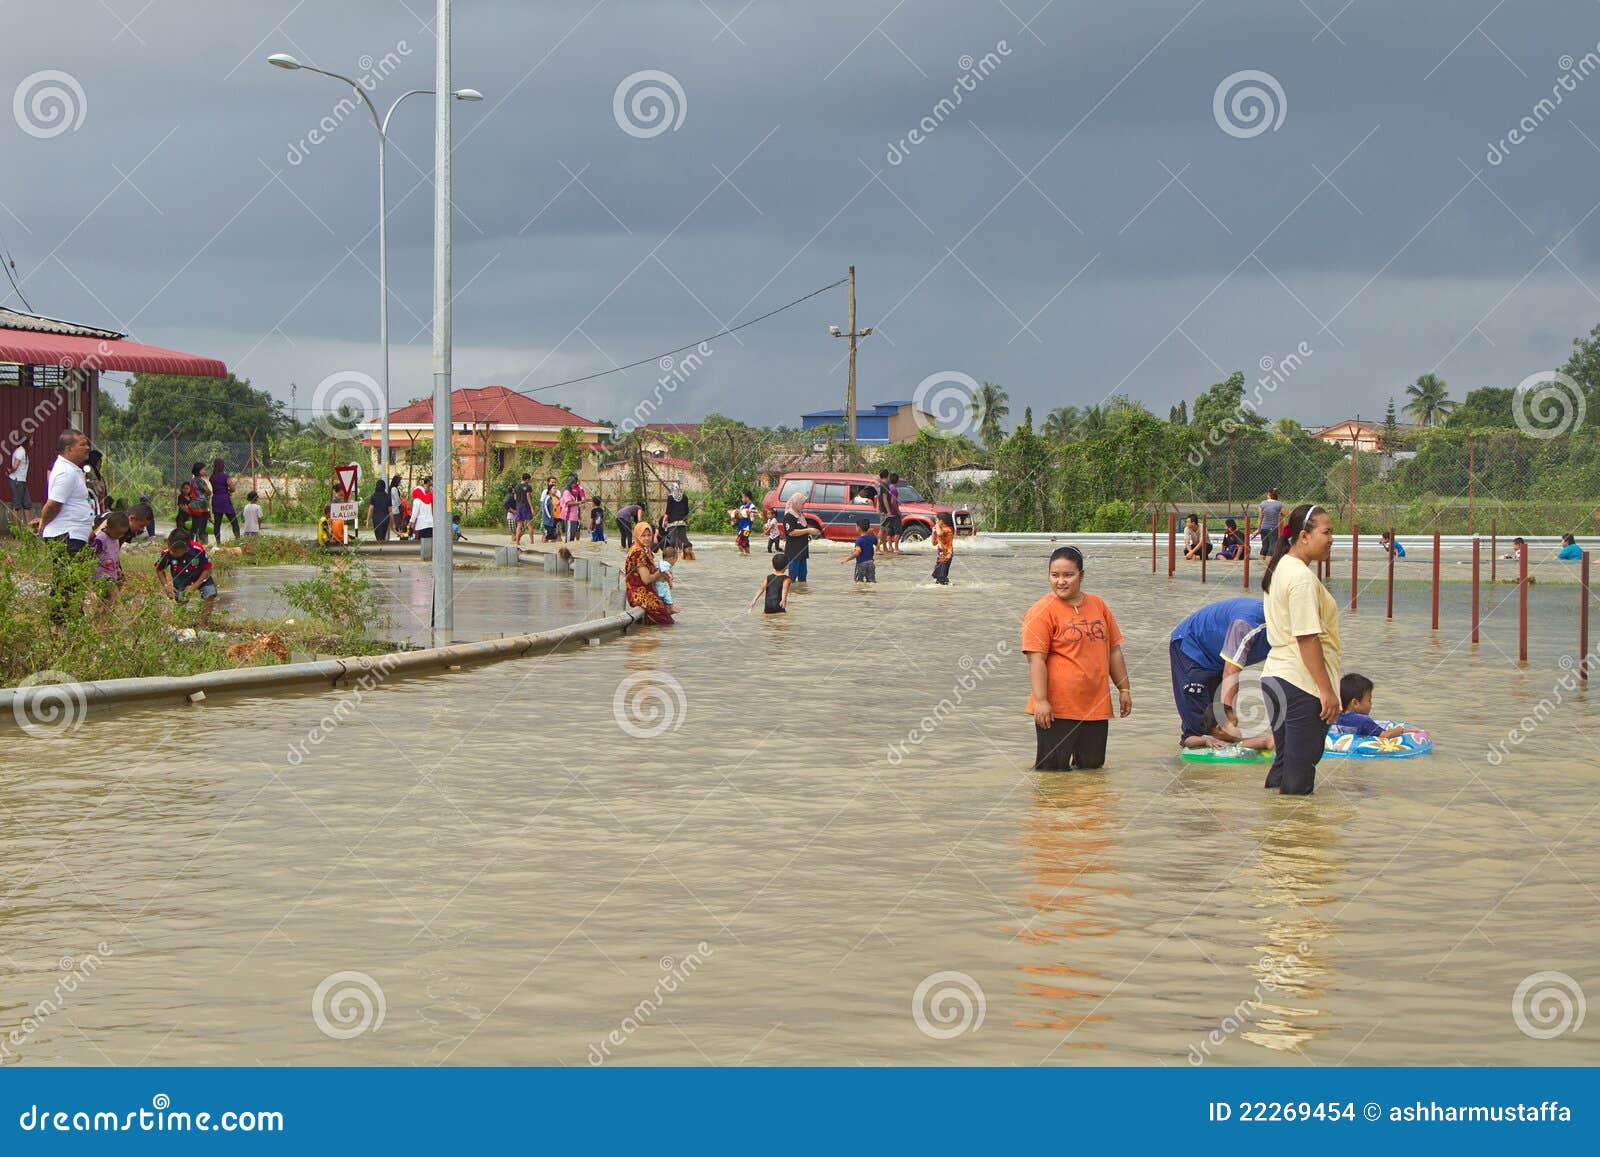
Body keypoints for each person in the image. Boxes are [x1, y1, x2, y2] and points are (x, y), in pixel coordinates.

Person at [1023, 546, 1132, 771]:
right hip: (1057, 708)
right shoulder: (1041, 611)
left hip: (1096, 705)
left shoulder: (1098, 605)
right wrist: (1041, 701)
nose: (1060, 581)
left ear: (1081, 575)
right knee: (1052, 774)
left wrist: (1124, 690)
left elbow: (1113, 650)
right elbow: (1036, 660)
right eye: (1055, 575)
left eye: (1068, 575)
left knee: (1092, 771)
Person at [1260, 504, 1341, 796]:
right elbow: (1307, 639)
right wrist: (1327, 691)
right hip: (1300, 684)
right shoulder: (1301, 578)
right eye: (1327, 532)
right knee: (1298, 782)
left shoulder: (1282, 567)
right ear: (1304, 536)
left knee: (1284, 769)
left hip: (1276, 678)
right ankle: (1295, 838)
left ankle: (1272, 836)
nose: (1332, 539)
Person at [1168, 596, 1269, 748]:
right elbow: (1231, 674)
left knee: (1223, 726)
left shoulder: (1293, 630)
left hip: (1219, 656)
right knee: (1201, 727)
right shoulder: (1246, 624)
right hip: (1192, 646)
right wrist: (1226, 722)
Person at [32, 429, 94, 625]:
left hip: (73, 535)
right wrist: (43, 523)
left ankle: (70, 621)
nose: (87, 448)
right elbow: (54, 504)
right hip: (66, 535)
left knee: (71, 581)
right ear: (69, 448)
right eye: (82, 444)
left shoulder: (72, 469)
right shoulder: (65, 472)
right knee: (67, 582)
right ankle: (62, 624)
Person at [1331, 673, 1423, 741]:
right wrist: (1400, 730)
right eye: (1369, 700)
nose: (1371, 704)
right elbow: (1385, 735)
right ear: (1355, 703)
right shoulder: (1363, 721)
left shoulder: (1334, 716)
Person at [156, 526, 218, 627]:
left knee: (210, 593)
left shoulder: (198, 550)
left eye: (175, 552)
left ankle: (203, 624)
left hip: (201, 576)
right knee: (181, 599)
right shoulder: (166, 553)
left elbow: (208, 569)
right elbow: (159, 569)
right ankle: (180, 624)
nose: (172, 553)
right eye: (171, 549)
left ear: (186, 549)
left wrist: (194, 586)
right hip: (181, 579)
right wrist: (166, 585)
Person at [623, 523, 673, 625]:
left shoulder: (644, 549)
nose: (647, 538)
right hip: (638, 592)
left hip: (646, 590)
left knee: (665, 608)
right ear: (637, 535)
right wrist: (661, 571)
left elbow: (652, 572)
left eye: (649, 535)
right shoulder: (638, 552)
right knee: (664, 618)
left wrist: (665, 577)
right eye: (643, 535)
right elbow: (647, 579)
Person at [1182, 701, 1274, 751]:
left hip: (1234, 747)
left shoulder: (1236, 739)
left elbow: (1248, 741)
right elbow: (1187, 741)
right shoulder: (1209, 739)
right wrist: (1204, 740)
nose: (1239, 730)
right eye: (1235, 725)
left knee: (1253, 741)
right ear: (1220, 729)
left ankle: (1268, 741)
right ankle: (1268, 741)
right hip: (1232, 748)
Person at [90, 510, 129, 605]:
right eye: (117, 533)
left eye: (122, 534)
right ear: (108, 528)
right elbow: (91, 554)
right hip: (101, 575)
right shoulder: (101, 539)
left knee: (107, 599)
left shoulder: (115, 539)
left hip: (112, 573)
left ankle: (102, 616)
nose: (120, 536)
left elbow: (114, 555)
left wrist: (118, 569)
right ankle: (105, 615)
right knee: (113, 595)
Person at [779, 493, 820, 584]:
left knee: (803, 576)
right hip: (793, 552)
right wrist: (808, 530)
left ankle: (801, 594)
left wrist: (812, 531)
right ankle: (790, 593)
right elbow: (791, 532)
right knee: (792, 576)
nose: (803, 506)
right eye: (802, 504)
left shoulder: (800, 516)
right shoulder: (789, 516)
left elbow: (802, 528)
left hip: (802, 551)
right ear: (796, 503)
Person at [178, 462, 211, 544]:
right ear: (199, 471)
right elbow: (208, 492)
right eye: (203, 469)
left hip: (194, 505)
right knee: (201, 526)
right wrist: (207, 491)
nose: (205, 471)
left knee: (194, 526)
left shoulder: (192, 480)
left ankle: (190, 543)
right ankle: (199, 543)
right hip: (201, 506)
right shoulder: (200, 481)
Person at [210, 457, 240, 542]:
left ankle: (218, 542)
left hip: (216, 499)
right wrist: (228, 491)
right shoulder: (225, 476)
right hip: (225, 500)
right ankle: (238, 539)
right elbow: (233, 488)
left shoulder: (212, 477)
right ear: (223, 466)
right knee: (233, 520)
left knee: (217, 523)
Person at [842, 517, 877, 583]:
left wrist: (847, 559)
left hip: (861, 564)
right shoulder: (871, 539)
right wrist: (873, 533)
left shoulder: (859, 540)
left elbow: (857, 552)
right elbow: (878, 543)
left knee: (858, 582)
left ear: (858, 528)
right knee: (872, 581)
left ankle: (860, 593)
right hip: (871, 564)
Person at [663, 481, 691, 553]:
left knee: (672, 540)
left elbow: (668, 511)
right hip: (682, 521)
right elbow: (686, 511)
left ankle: (671, 553)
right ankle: (688, 552)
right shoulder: (684, 497)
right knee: (684, 539)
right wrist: (686, 520)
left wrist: (664, 521)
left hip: (673, 522)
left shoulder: (670, 497)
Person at [6, 433, 28, 525]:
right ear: (25, 442)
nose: (32, 442)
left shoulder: (23, 451)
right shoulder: (20, 451)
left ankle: (28, 528)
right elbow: (15, 466)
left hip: (22, 480)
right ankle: (16, 531)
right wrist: (10, 471)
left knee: (27, 504)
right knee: (16, 505)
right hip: (17, 480)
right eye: (31, 440)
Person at [1257, 487, 1284, 559]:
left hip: (1264, 528)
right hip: (1273, 528)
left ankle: (1261, 563)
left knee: (1264, 546)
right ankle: (1268, 566)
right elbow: (1287, 514)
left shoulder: (1262, 504)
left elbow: (1260, 517)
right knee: (1272, 546)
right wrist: (1280, 515)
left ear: (1268, 494)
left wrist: (1258, 529)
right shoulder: (1279, 504)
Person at [510, 473, 536, 545]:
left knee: (519, 525)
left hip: (519, 507)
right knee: (529, 524)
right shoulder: (528, 487)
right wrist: (532, 508)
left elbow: (515, 498)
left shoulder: (516, 487)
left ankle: (517, 542)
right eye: (529, 480)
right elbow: (528, 497)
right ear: (527, 479)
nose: (529, 481)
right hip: (526, 507)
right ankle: (532, 542)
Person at [560, 474, 585, 542]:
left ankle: (571, 550)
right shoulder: (566, 491)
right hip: (569, 517)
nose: (574, 485)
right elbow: (568, 503)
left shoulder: (572, 491)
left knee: (572, 536)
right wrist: (579, 502)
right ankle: (566, 550)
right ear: (570, 483)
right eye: (573, 483)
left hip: (574, 517)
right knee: (569, 537)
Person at [931, 511, 955, 584]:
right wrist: (933, 532)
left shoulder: (948, 529)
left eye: (936, 520)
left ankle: (946, 589)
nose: (935, 521)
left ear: (941, 521)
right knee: (936, 575)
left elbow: (940, 533)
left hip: (947, 555)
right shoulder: (940, 529)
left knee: (941, 578)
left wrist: (937, 526)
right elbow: (934, 543)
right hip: (941, 556)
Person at [654, 543, 678, 615]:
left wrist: (670, 582)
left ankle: (668, 609)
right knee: (667, 595)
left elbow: (665, 577)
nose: (674, 563)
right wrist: (669, 574)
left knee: (665, 596)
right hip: (660, 585)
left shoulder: (662, 563)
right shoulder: (665, 564)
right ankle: (671, 607)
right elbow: (664, 570)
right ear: (672, 558)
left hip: (661, 584)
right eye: (675, 560)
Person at [733, 490, 758, 556]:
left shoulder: (751, 506)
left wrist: (749, 512)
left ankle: (742, 556)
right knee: (745, 545)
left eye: (743, 497)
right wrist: (735, 518)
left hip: (746, 528)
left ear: (747, 498)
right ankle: (747, 556)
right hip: (741, 528)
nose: (742, 499)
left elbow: (756, 513)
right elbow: (740, 517)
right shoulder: (742, 507)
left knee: (738, 543)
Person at [883, 472, 903, 555]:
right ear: (897, 480)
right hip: (894, 513)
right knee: (898, 531)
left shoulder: (888, 488)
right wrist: (898, 511)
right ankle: (896, 548)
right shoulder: (894, 489)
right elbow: (893, 501)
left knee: (889, 531)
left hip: (888, 513)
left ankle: (890, 547)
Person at [540, 477, 560, 542]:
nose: (555, 489)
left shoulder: (557, 494)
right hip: (549, 519)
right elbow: (544, 507)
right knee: (547, 534)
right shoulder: (546, 496)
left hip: (556, 517)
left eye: (555, 482)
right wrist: (549, 516)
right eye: (552, 482)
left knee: (554, 534)